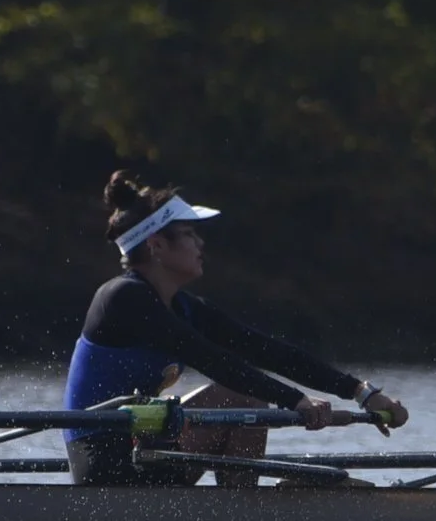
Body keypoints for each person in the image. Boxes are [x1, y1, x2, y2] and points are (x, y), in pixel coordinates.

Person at [61, 170, 411, 486]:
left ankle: (240, 504)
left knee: (246, 394)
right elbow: (213, 361)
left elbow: (266, 351)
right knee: (240, 395)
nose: (200, 244)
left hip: (152, 450)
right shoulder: (122, 298)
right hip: (105, 466)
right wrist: (296, 400)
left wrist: (362, 392)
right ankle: (243, 506)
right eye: (188, 234)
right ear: (156, 246)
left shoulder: (186, 308)